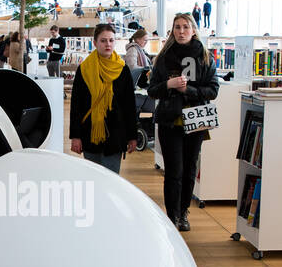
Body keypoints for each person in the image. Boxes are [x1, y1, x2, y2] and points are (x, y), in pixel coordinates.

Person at [147, 12, 218, 232]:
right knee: (173, 171)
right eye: (177, 27)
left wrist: (189, 89)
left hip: (196, 120)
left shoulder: (205, 57)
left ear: (194, 29)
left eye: (185, 27)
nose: (181, 31)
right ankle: (172, 215)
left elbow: (213, 90)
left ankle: (184, 212)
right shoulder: (163, 57)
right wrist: (169, 85)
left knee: (189, 170)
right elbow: (152, 91)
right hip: (170, 121)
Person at [70, 24, 137, 174]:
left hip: (116, 133)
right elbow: (77, 104)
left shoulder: (122, 69)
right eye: (103, 40)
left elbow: (129, 105)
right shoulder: (85, 69)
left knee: (112, 179)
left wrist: (132, 136)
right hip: (90, 133)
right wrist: (75, 136)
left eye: (111, 40)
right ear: (94, 43)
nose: (108, 44)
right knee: (93, 179)